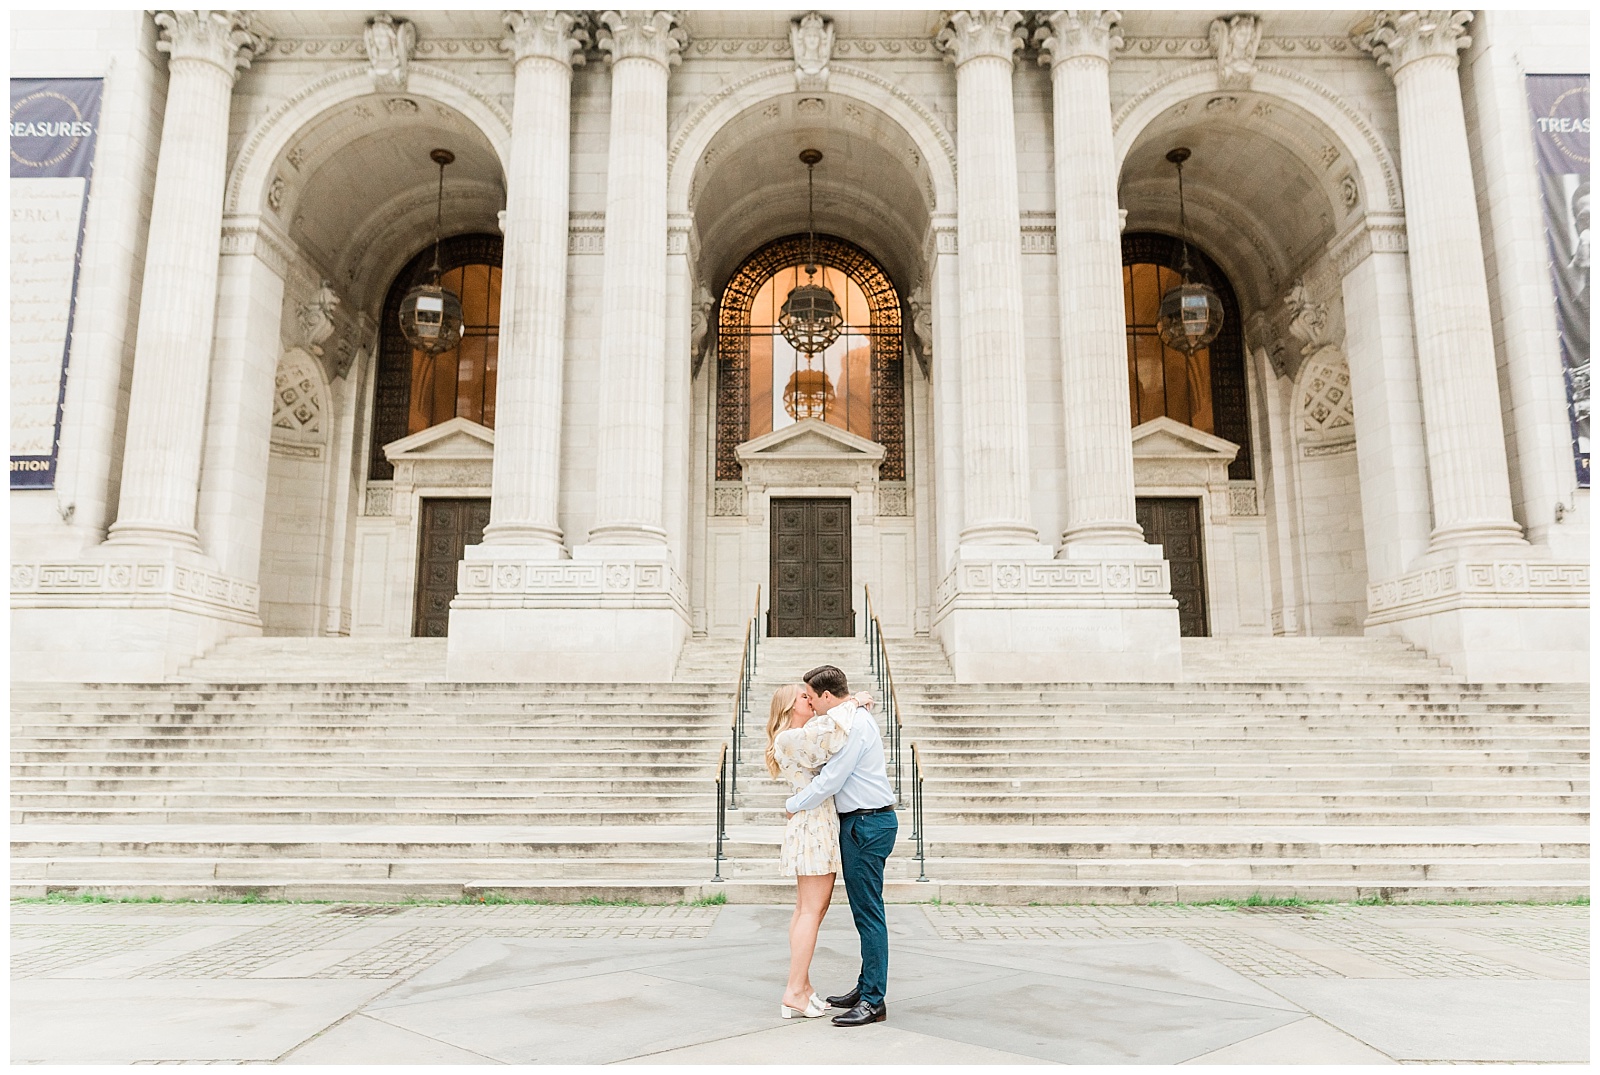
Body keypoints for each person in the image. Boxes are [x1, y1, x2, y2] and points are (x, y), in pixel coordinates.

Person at [786, 664, 897, 1027]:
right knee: (865, 911)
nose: (812, 704)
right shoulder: (852, 717)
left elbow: (832, 779)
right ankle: (866, 986)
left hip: (867, 823)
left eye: (813, 698)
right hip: (861, 822)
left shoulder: (856, 725)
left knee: (869, 915)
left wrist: (793, 804)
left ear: (828, 696)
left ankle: (873, 1001)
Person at [764, 682, 848, 1019]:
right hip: (813, 825)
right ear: (788, 706)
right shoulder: (790, 737)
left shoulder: (800, 733)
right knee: (811, 911)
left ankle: (804, 985)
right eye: (803, 696)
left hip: (816, 822)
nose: (810, 699)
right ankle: (794, 991)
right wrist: (850, 705)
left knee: (809, 910)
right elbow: (828, 747)